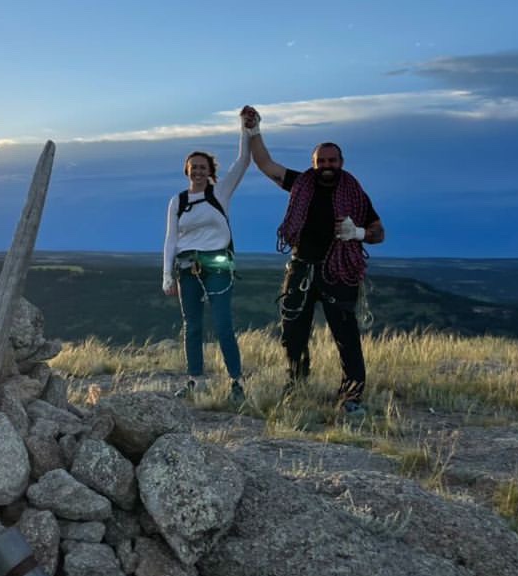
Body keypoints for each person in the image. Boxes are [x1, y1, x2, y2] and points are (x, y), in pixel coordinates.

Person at [240, 105, 385, 415]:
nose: (327, 166)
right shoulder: (301, 183)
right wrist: (252, 129)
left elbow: (379, 232)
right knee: (292, 332)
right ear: (313, 163)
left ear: (342, 162)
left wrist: (357, 233)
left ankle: (352, 395)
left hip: (339, 274)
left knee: (346, 336)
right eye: (321, 161)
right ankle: (296, 383)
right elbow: (264, 164)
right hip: (301, 267)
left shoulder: (356, 194)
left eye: (332, 160)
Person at [162, 117, 251, 403]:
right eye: (194, 167)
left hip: (217, 267)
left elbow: (243, 161)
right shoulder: (178, 201)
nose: (198, 171)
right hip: (187, 269)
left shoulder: (219, 193)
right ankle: (194, 380)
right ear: (187, 170)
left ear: (210, 171)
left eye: (203, 167)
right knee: (193, 326)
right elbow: (171, 239)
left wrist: (247, 130)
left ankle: (236, 382)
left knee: (223, 323)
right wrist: (166, 275)